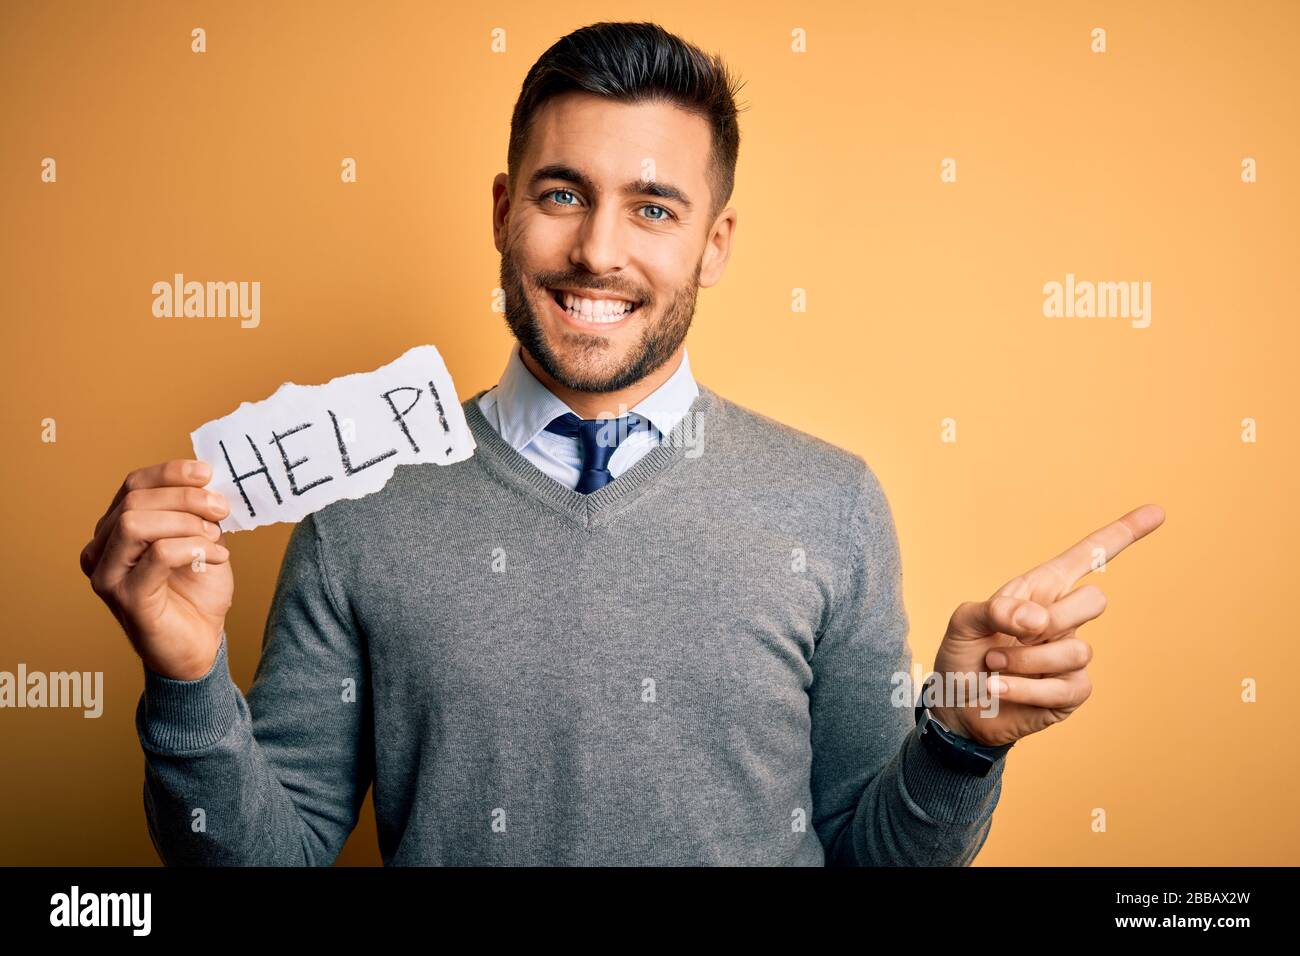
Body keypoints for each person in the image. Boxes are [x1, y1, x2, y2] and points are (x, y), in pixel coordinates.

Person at [80, 21, 1164, 866]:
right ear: (505, 211)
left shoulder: (829, 504)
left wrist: (959, 741)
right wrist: (187, 683)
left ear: (714, 242)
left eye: (653, 208)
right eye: (562, 195)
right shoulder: (361, 509)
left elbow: (867, 854)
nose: (597, 251)